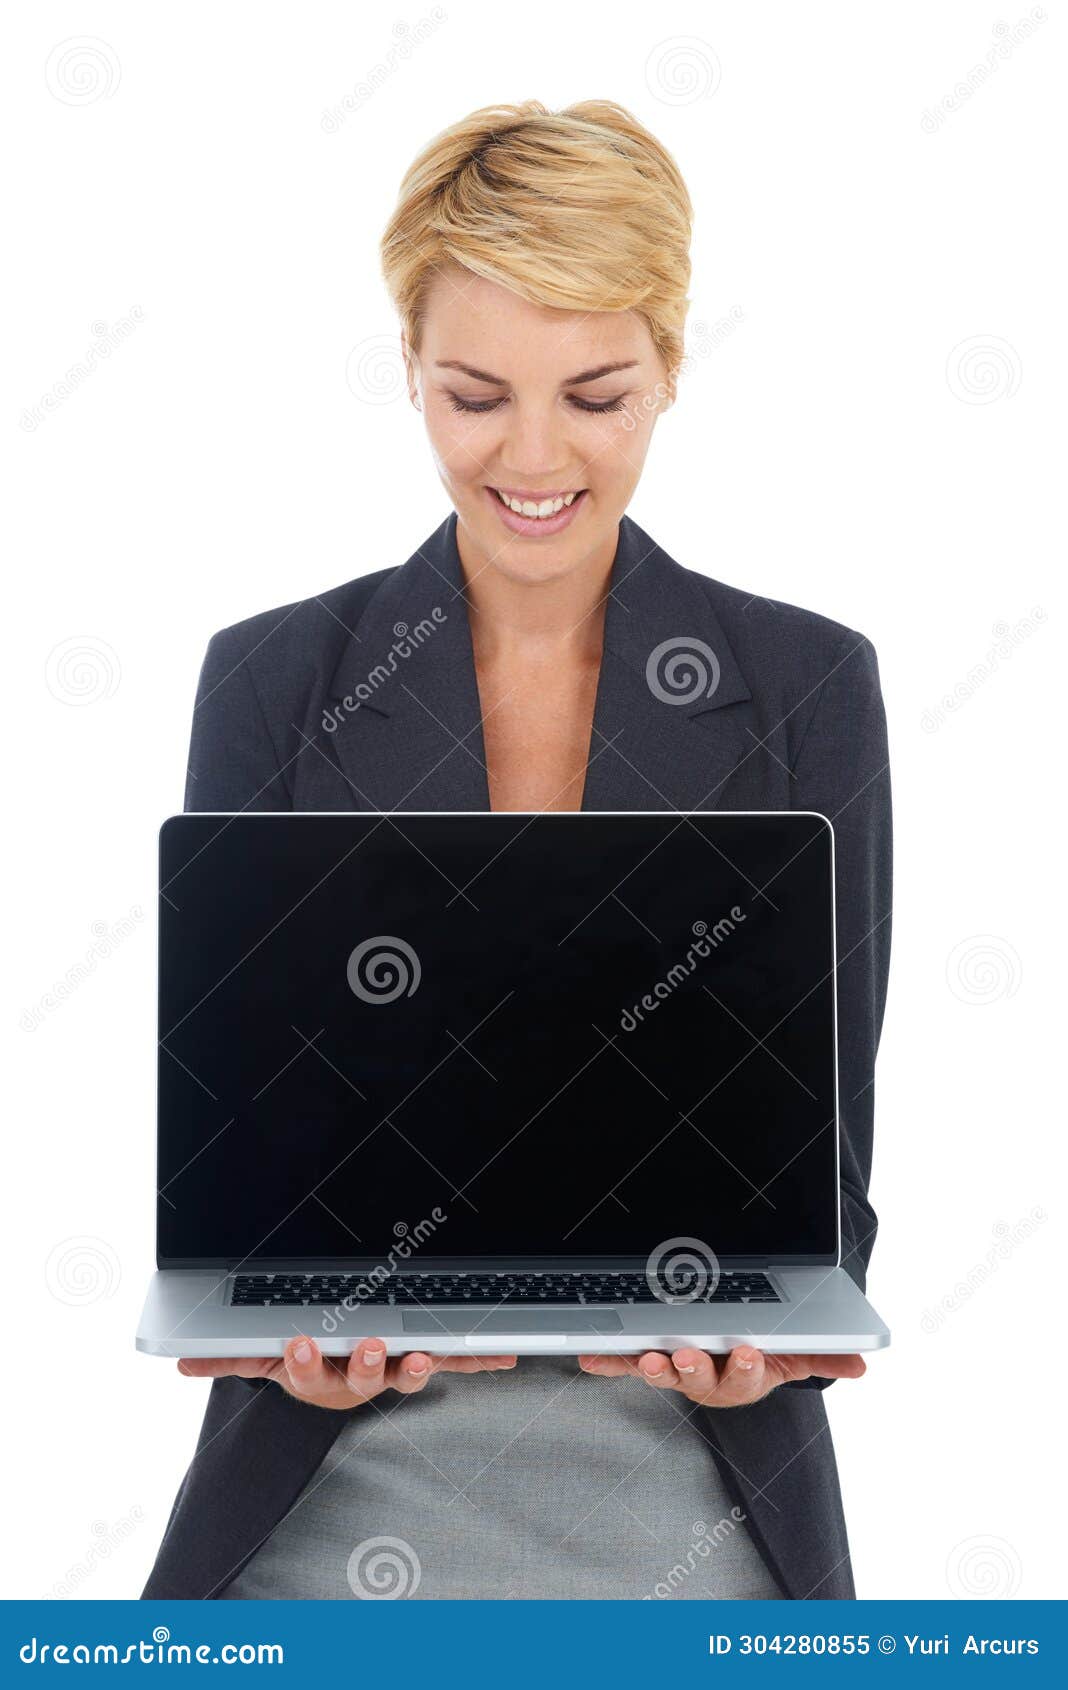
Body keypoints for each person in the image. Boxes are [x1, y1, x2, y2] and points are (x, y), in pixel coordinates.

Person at [143, 100, 891, 1601]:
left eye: (597, 394)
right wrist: (290, 1325)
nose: (534, 458)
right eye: (475, 394)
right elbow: (230, 1164)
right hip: (331, 1471)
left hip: (689, 1478)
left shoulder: (808, 682)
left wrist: (780, 1342)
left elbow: (829, 1171)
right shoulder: (274, 680)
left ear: (672, 366)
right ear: (409, 371)